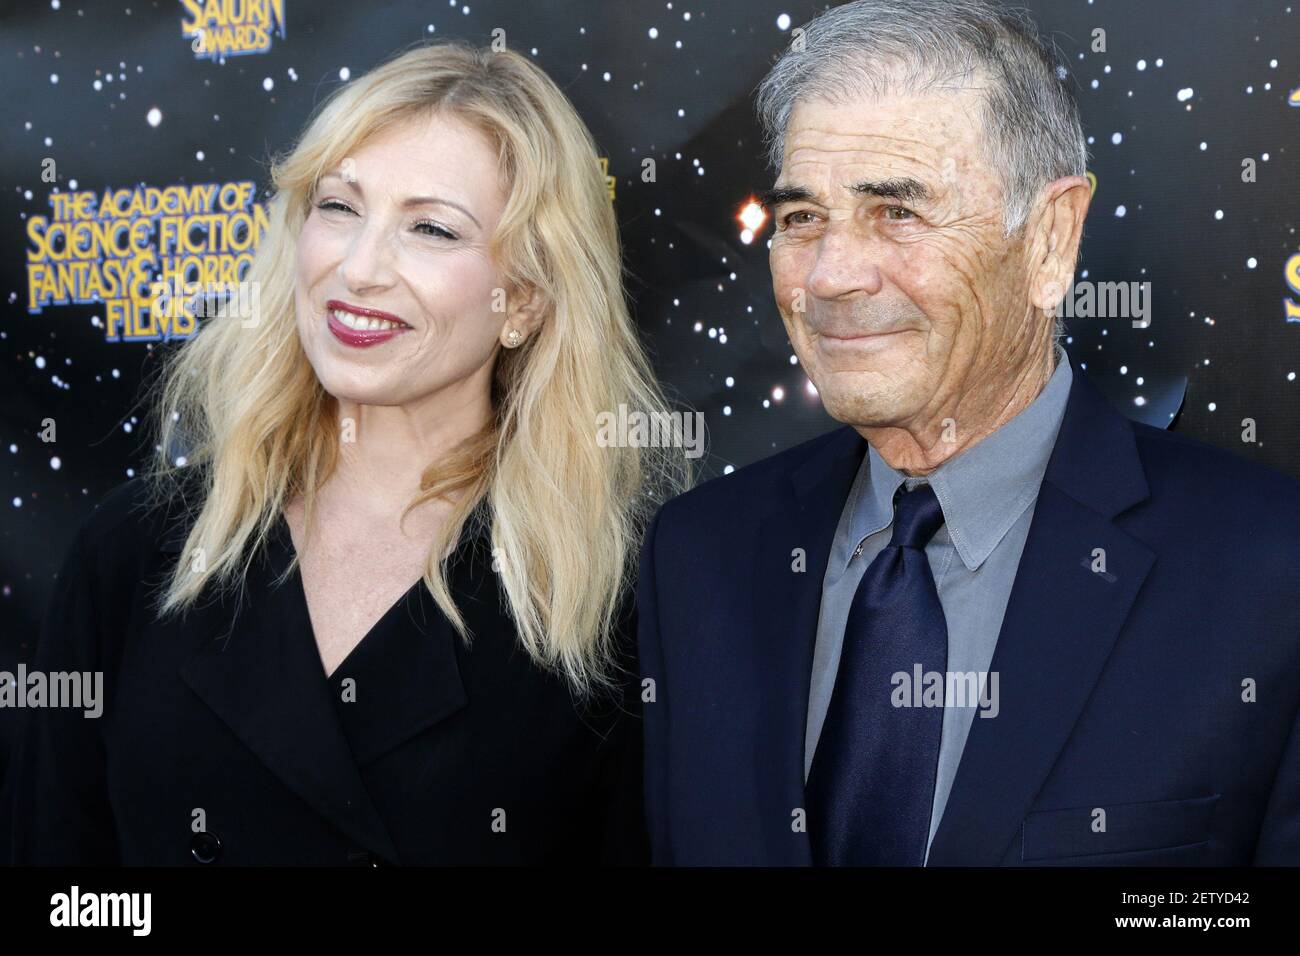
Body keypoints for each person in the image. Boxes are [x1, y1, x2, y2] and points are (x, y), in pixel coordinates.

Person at [638, 0, 1300, 866]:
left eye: (898, 213)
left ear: (1051, 241)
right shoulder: (699, 557)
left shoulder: (1269, 568)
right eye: (803, 218)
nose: (831, 277)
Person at [8, 40, 688, 865]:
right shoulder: (137, 550)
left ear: (528, 301)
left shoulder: (612, 601)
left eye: (432, 228)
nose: (360, 268)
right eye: (338, 207)